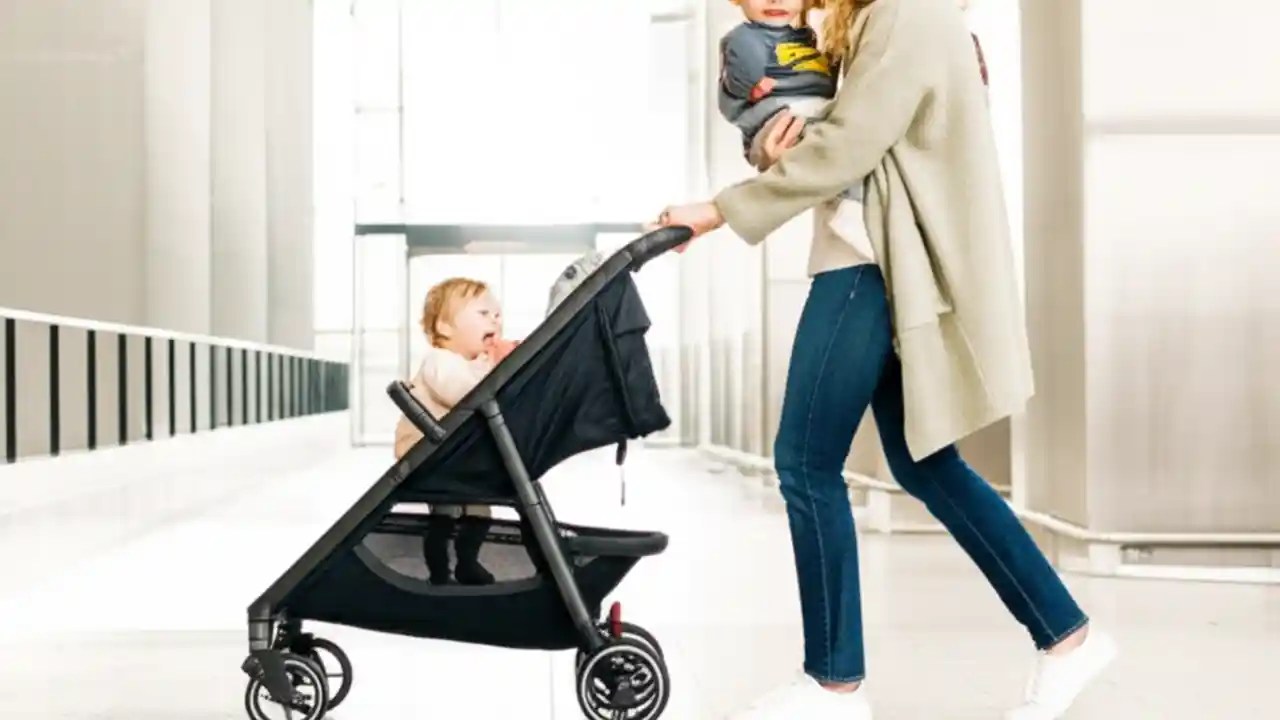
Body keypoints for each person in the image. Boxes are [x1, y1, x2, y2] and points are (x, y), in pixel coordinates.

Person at [655, 0, 1116, 717]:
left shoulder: (906, 13)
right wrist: (773, 152)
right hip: (875, 254)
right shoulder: (872, 20)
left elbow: (848, 146)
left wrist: (714, 212)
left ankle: (835, 685)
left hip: (867, 262)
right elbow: (823, 133)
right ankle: (1067, 637)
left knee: (805, 462)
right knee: (924, 462)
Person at [717, 0, 873, 260]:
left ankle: (852, 207)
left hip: (807, 113)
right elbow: (742, 85)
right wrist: (753, 86)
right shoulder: (745, 38)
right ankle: (850, 211)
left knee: (840, 147)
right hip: (778, 119)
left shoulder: (809, 37)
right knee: (834, 151)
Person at [394, 277, 518, 586]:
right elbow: (463, 395)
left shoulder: (473, 364)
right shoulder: (440, 361)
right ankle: (438, 572)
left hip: (454, 455)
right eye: (483, 313)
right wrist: (495, 369)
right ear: (446, 327)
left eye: (497, 314)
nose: (495, 319)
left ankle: (466, 563)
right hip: (428, 453)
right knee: (444, 516)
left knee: (480, 513)